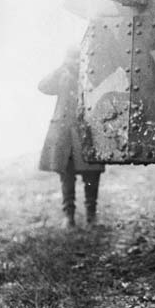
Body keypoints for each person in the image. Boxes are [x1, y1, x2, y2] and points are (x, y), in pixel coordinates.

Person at [38, 45, 105, 227]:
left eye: (78, 58)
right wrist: (61, 68)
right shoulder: (63, 75)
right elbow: (43, 86)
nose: (75, 62)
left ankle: (91, 215)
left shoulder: (92, 72)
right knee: (66, 175)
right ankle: (69, 216)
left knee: (92, 174)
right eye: (71, 58)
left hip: (88, 130)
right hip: (65, 133)